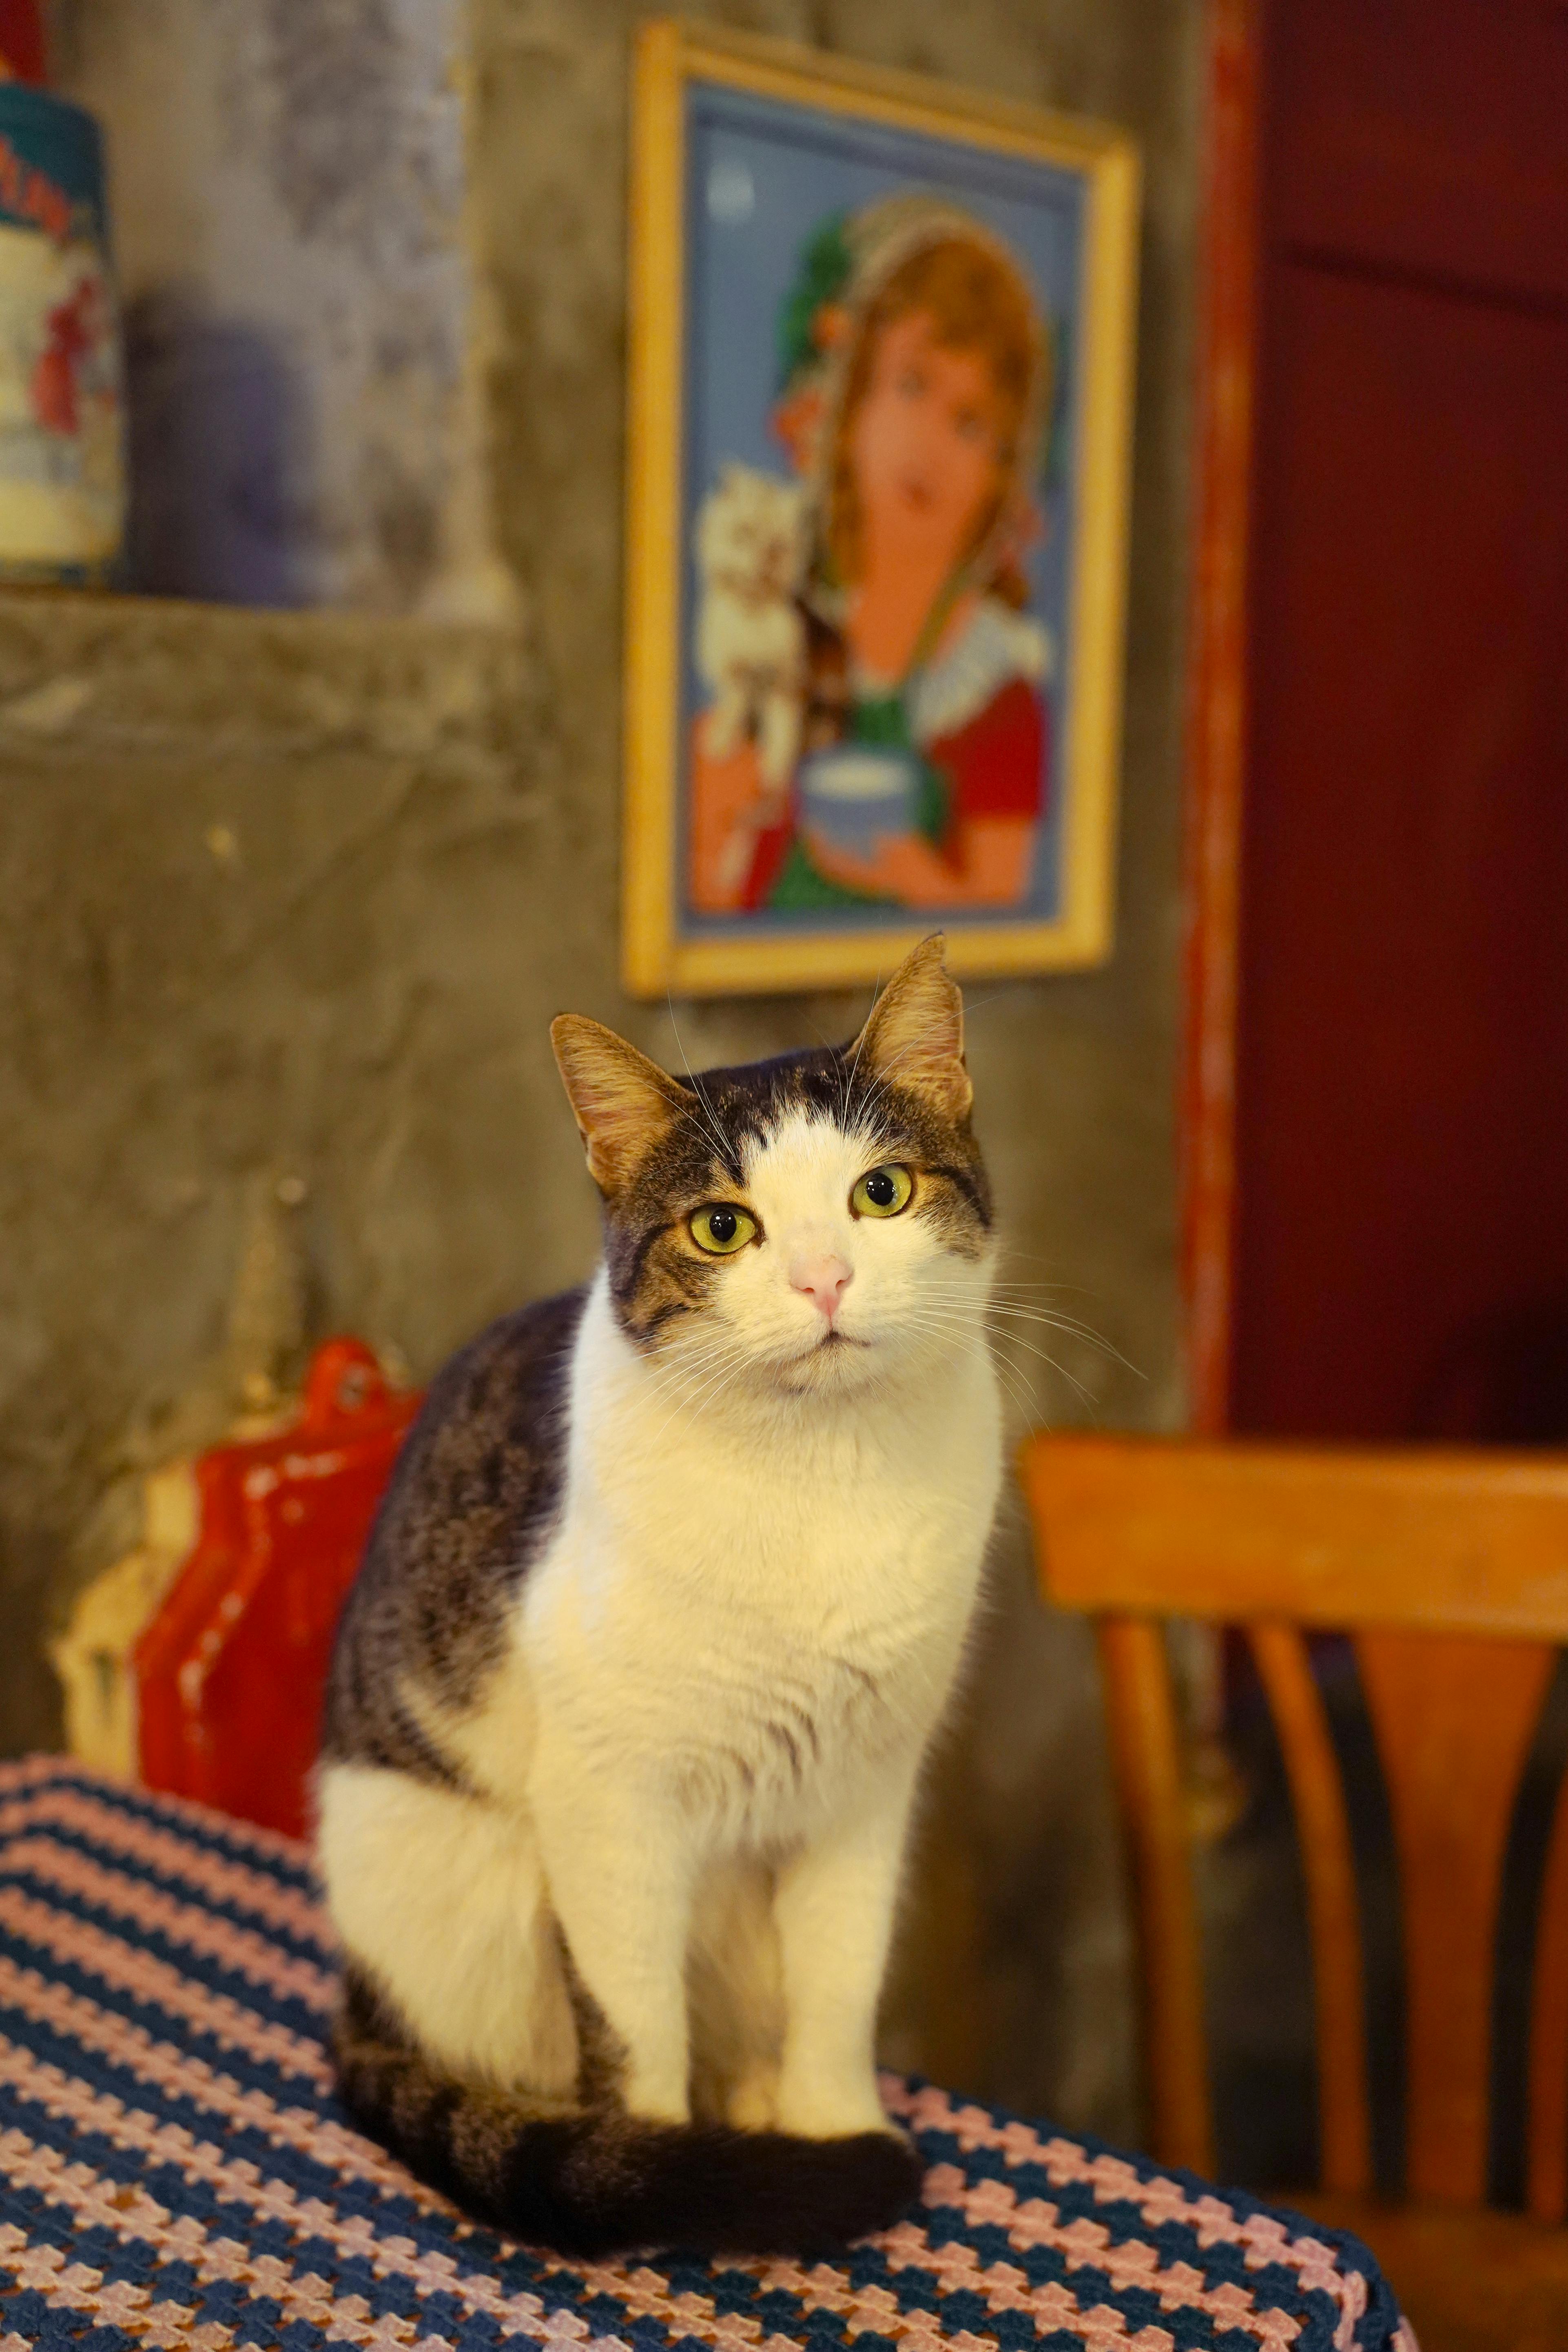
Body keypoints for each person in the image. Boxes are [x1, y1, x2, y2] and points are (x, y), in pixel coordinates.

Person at [688, 196, 1053, 917]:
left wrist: (913, 881)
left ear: (999, 480)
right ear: (852, 407)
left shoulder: (994, 689)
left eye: (970, 423)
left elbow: (1003, 914)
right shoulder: (781, 630)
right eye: (912, 385)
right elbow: (713, 891)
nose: (930, 443)